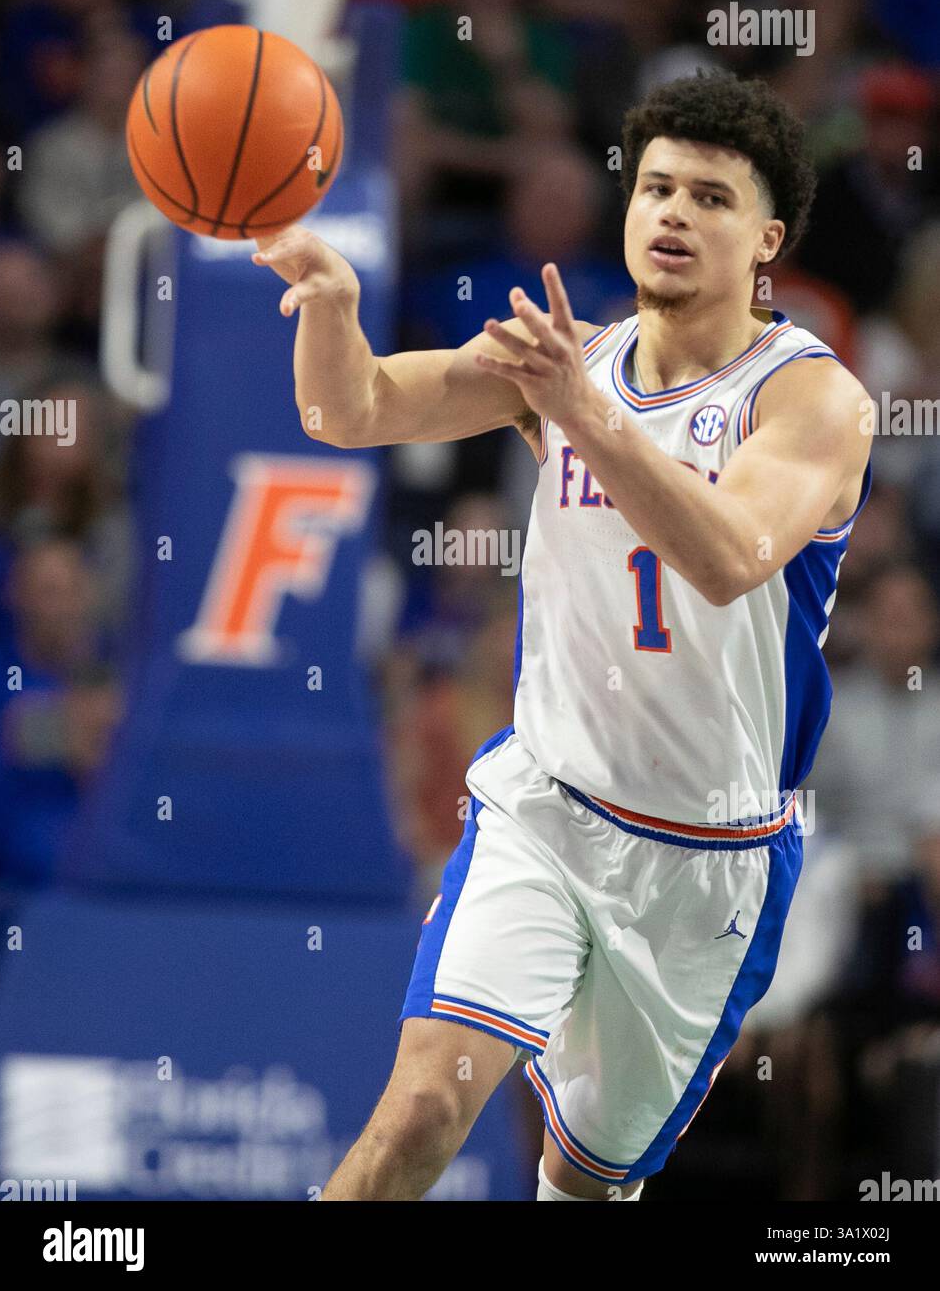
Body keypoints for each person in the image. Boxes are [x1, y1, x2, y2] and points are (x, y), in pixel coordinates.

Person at [252, 70, 873, 1201]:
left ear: (764, 238)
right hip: (543, 807)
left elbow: (729, 556)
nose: (672, 213)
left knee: (579, 1183)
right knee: (420, 1111)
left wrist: (584, 417)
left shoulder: (810, 400)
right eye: (654, 189)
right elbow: (349, 413)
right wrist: (338, 312)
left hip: (706, 864)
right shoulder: (566, 364)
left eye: (708, 197)